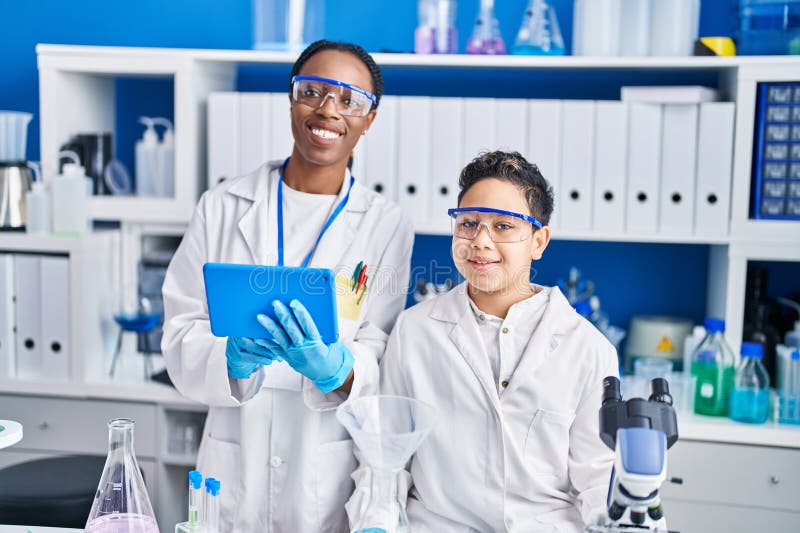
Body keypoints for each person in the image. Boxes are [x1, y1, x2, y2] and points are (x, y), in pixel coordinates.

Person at [162, 40, 414, 532]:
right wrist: (227, 359)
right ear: (291, 98)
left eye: (349, 100)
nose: (328, 110)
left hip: (323, 465)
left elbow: (382, 349)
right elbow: (180, 329)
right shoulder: (222, 205)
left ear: (369, 118)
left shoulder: (386, 224)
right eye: (312, 92)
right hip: (235, 455)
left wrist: (339, 369)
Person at [348, 151, 619, 532]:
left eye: (504, 226)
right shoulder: (415, 330)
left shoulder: (588, 349)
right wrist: (375, 520)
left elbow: (598, 478)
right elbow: (387, 458)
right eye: (469, 223)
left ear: (538, 241)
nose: (480, 241)